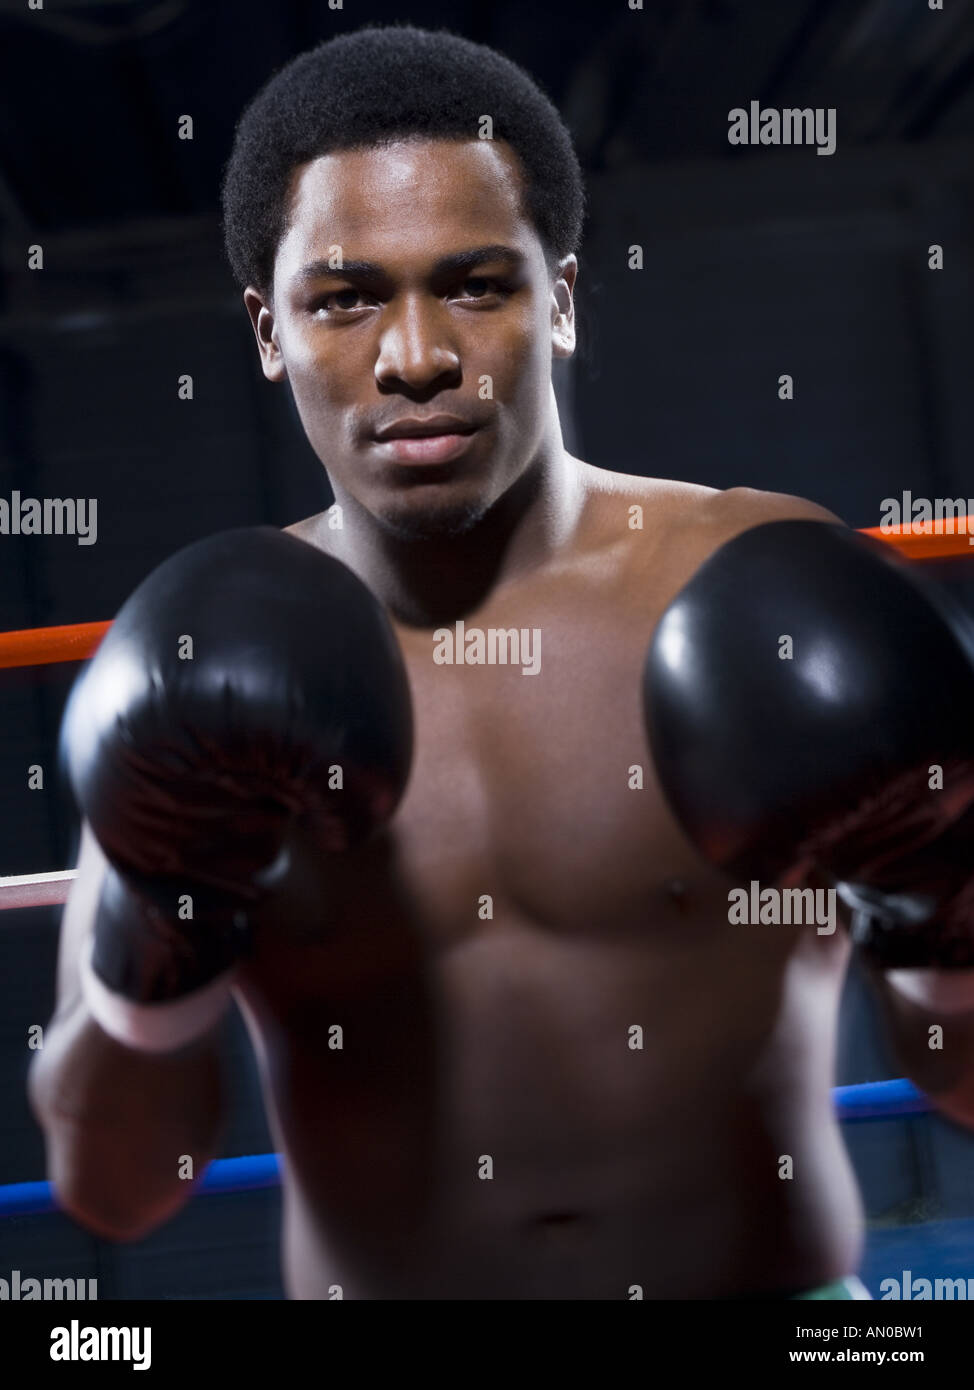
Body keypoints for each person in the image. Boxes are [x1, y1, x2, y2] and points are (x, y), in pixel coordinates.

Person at [29, 25, 974, 1300]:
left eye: (475, 283)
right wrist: (157, 936)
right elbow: (119, 1188)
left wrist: (943, 902)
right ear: (268, 329)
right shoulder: (201, 648)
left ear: (562, 300)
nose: (415, 356)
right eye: (344, 297)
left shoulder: (758, 586)